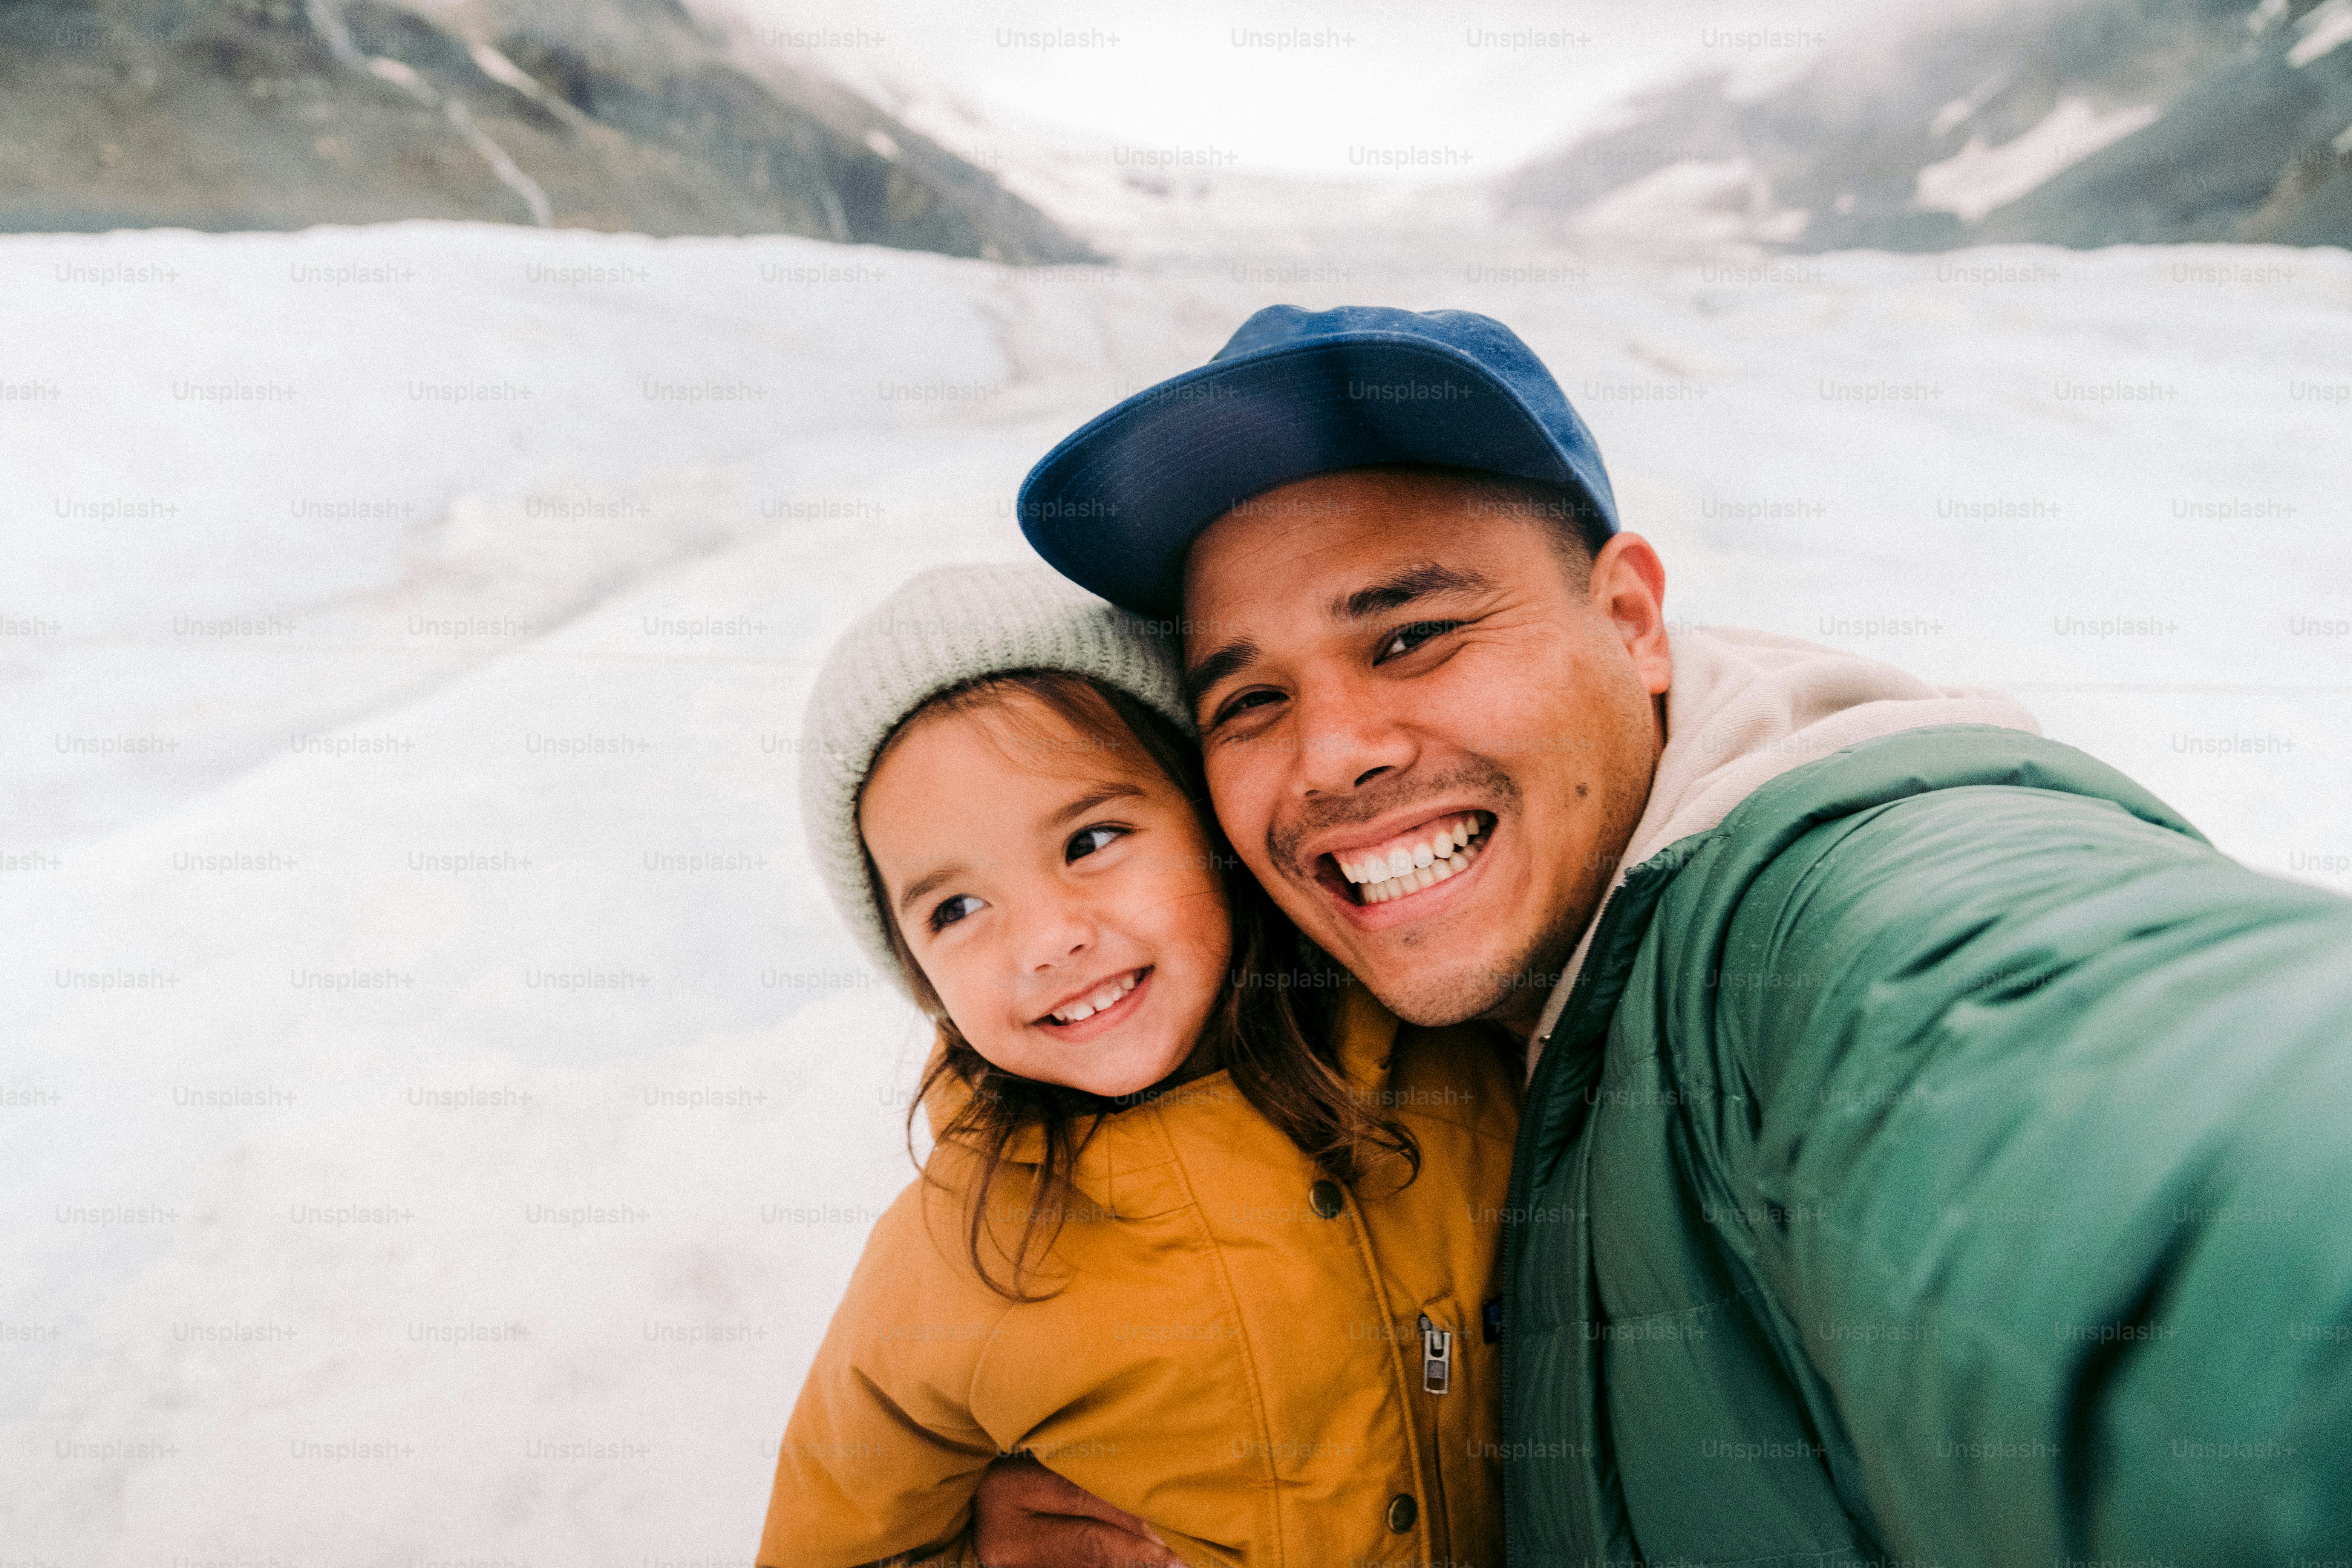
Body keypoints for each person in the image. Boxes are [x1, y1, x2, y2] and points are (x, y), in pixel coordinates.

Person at [971, 305, 2352, 1565]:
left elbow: (2131, 1093)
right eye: (1250, 702)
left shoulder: (1820, 925)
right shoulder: (1394, 1027)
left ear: (1630, 619)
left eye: (1412, 638)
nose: (1334, 755)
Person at [757, 561, 1522, 1567]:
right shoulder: (953, 1264)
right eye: (957, 908)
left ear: (1213, 824)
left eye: (1093, 839)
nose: (1045, 941)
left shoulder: (1450, 1054)